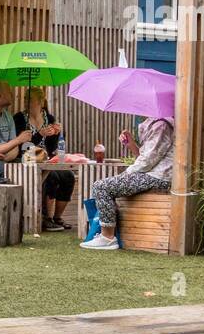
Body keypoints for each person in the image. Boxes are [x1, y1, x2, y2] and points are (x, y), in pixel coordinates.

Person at [81, 117, 175, 251]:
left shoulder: (161, 126)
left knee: (101, 186)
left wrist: (125, 174)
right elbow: (146, 157)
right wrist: (131, 144)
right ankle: (106, 234)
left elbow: (147, 161)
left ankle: (107, 238)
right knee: (106, 185)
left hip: (159, 176)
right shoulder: (156, 124)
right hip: (154, 174)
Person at [13, 88, 75, 233]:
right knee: (51, 176)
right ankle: (45, 218)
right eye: (25, 99)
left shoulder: (49, 118)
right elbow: (23, 145)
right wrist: (40, 134)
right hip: (27, 159)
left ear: (41, 102)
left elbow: (53, 147)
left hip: (45, 158)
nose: (26, 102)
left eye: (30, 99)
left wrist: (58, 133)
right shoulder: (19, 119)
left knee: (68, 176)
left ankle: (57, 217)